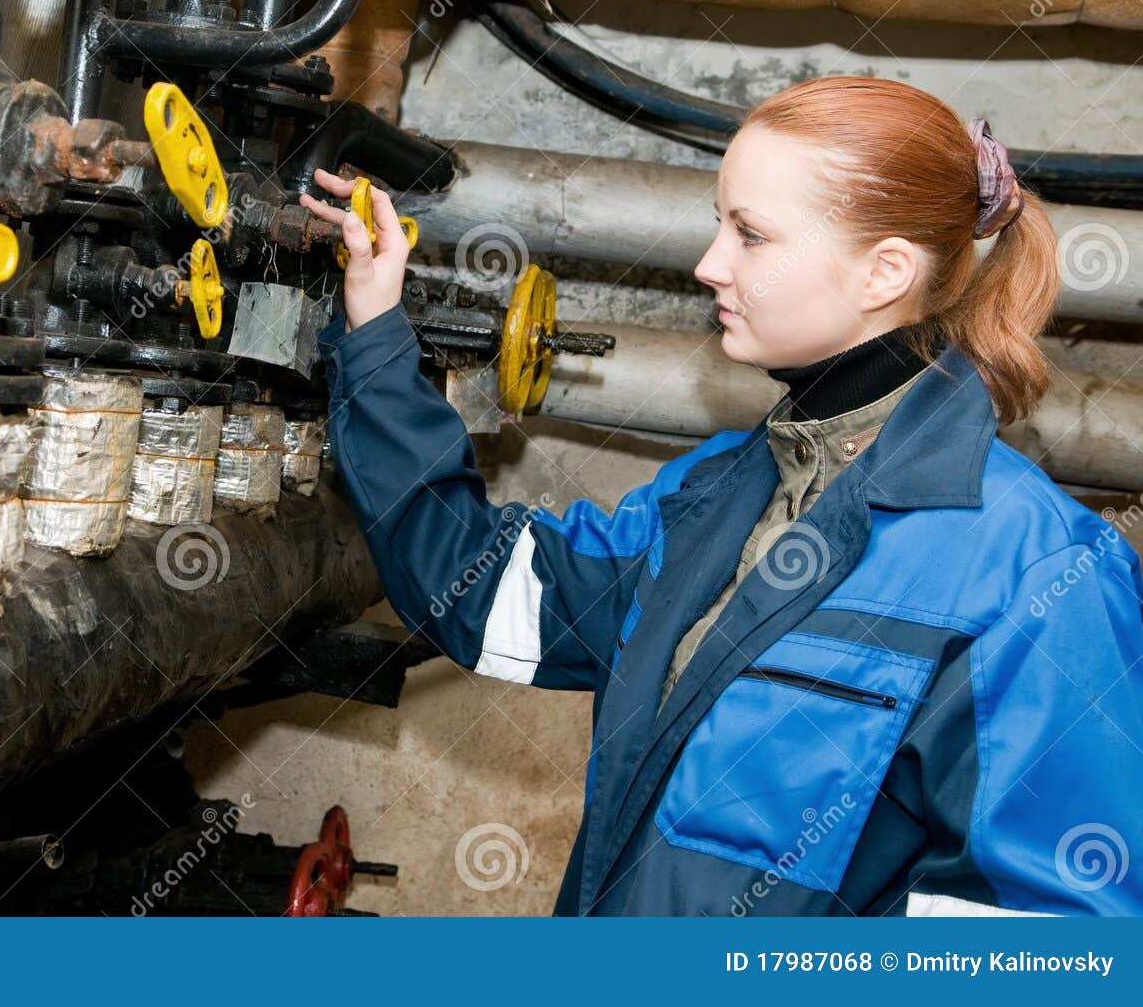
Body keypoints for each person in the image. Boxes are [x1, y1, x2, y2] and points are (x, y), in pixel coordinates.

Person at [300, 76, 1143, 916]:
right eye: (718, 224)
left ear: (883, 271)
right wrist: (376, 331)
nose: (709, 265)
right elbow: (482, 594)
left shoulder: (1037, 573)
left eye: (752, 235)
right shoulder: (721, 493)